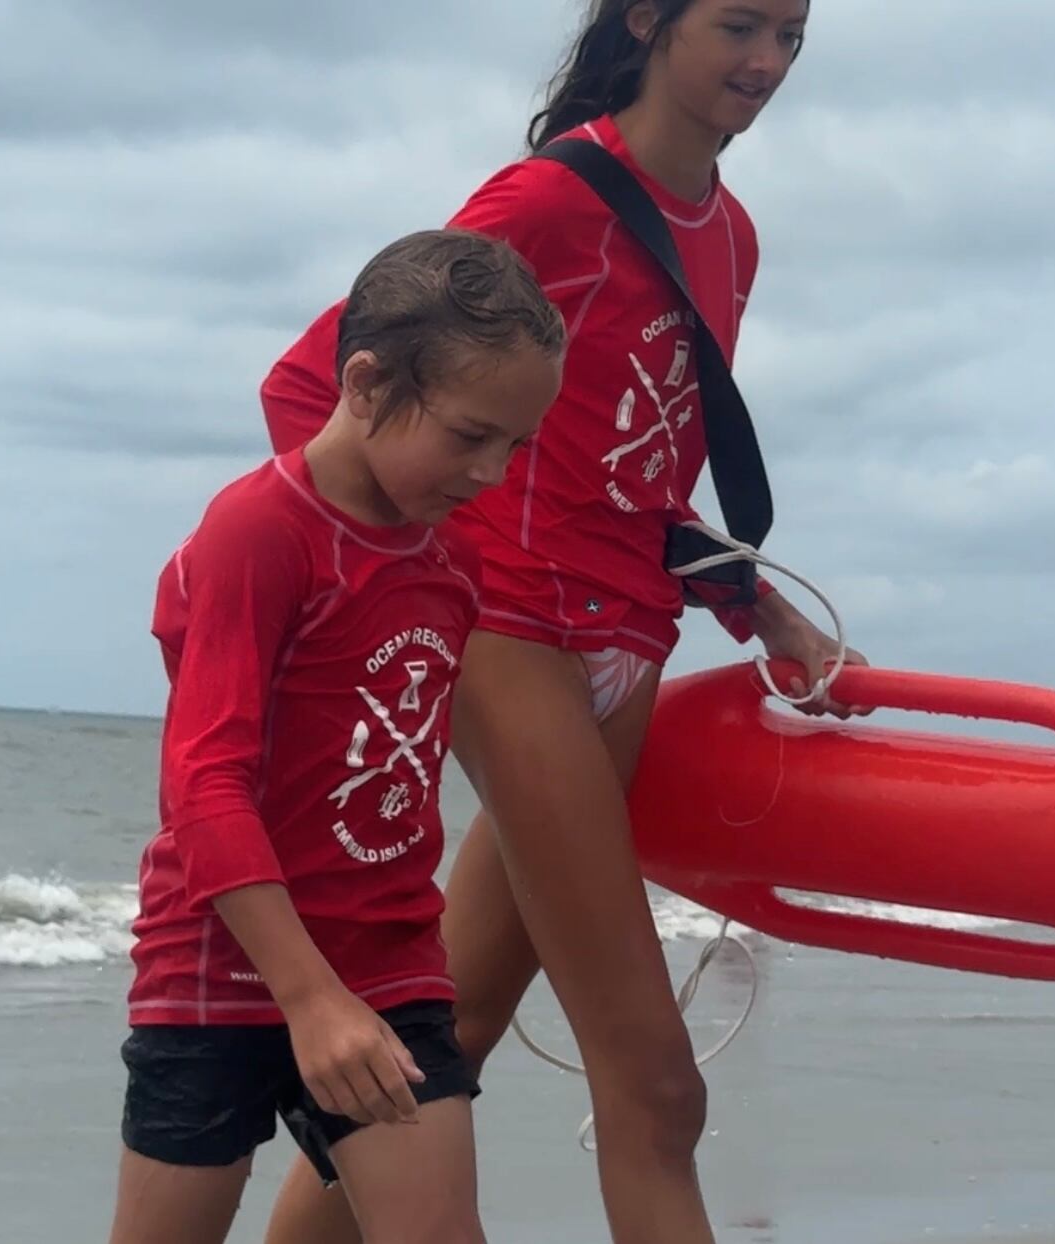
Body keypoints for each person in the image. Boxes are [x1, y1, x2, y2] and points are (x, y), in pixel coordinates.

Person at [258, 4, 849, 1242]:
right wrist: (400, 582)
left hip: (629, 639)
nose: (766, 63)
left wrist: (757, 603)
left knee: (440, 1036)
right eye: (740, 25)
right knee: (658, 1086)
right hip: (509, 627)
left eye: (790, 36)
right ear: (648, 17)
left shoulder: (730, 237)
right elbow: (314, 383)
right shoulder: (548, 201)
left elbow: (635, 475)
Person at [107, 230, 564, 1244]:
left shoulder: (451, 563)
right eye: (468, 434)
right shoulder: (257, 531)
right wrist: (307, 998)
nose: (490, 472)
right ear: (363, 384)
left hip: (389, 969)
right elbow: (204, 783)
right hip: (219, 971)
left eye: (516, 446)